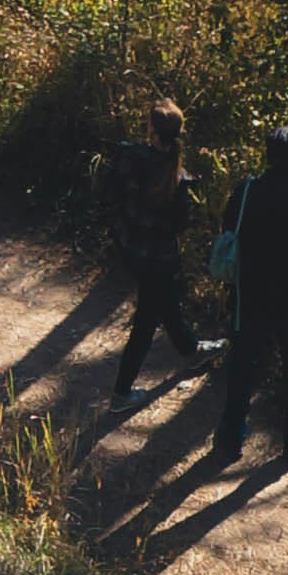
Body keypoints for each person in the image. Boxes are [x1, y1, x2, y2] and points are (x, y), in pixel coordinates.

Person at [209, 120, 288, 466]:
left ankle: (230, 438)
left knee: (243, 366)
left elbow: (228, 229)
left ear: (268, 155)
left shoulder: (247, 191)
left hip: (252, 293)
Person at [105, 97, 203, 402]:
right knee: (148, 320)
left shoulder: (129, 157)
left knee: (164, 305)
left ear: (150, 128)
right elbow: (182, 223)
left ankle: (191, 349)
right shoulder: (179, 178)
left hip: (132, 249)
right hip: (160, 256)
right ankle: (121, 393)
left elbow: (112, 191)